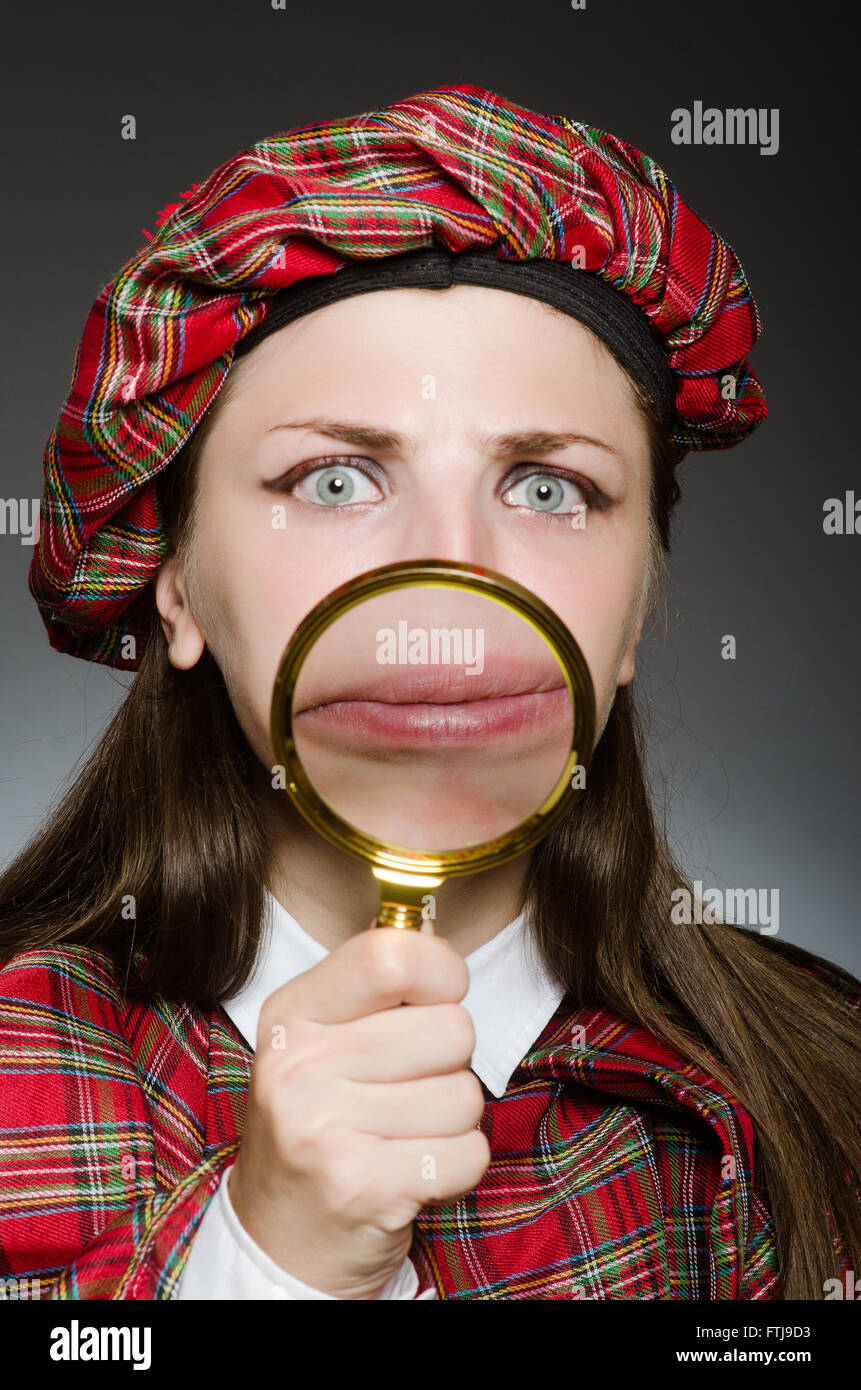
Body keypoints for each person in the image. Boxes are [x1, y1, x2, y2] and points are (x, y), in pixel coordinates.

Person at [1, 83, 858, 1302]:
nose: (451, 571)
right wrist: (264, 1268)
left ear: (632, 612)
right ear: (176, 588)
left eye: (549, 488)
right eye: (337, 481)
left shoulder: (835, 1084)